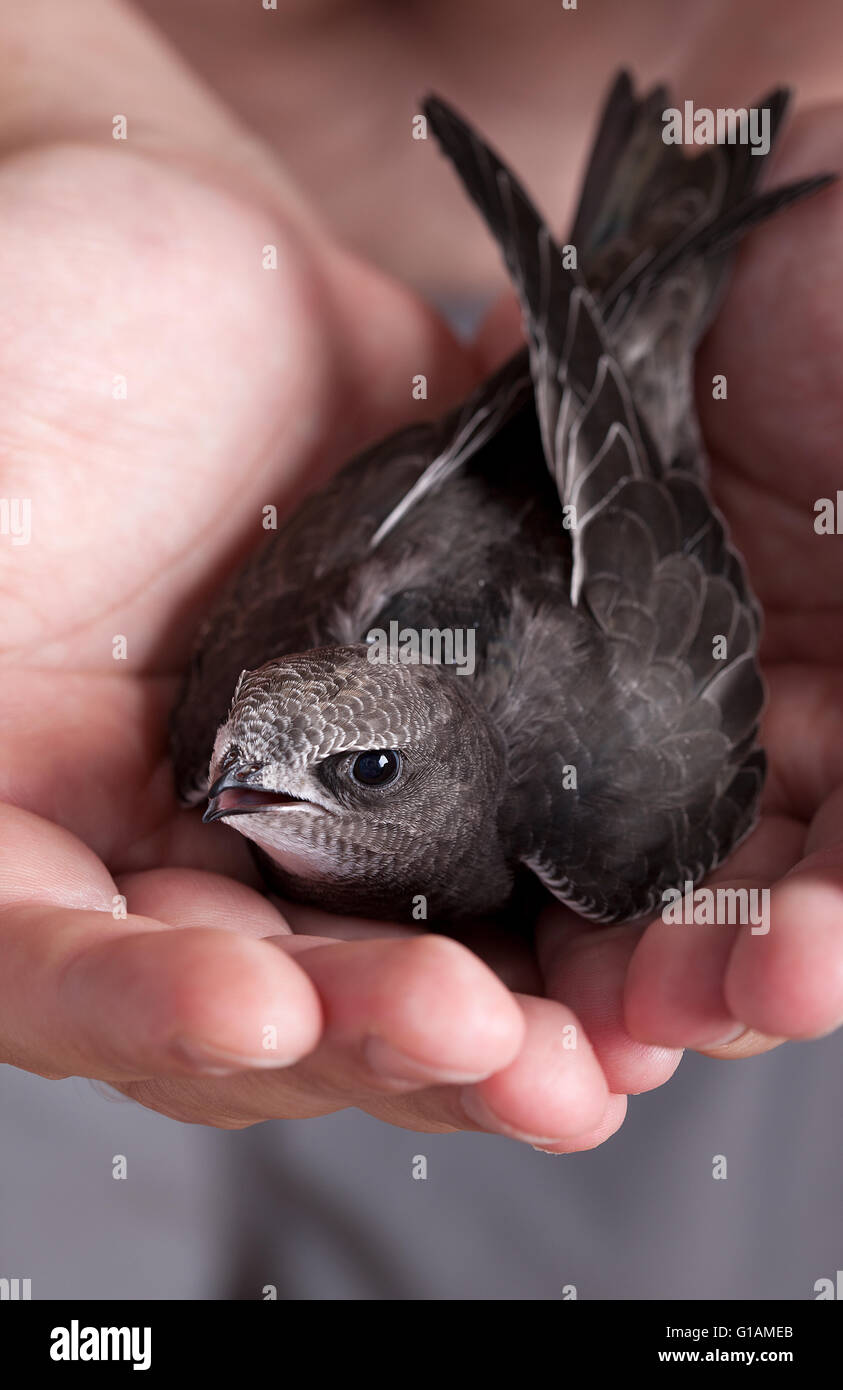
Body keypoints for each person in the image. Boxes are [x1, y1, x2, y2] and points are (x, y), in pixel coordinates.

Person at [1, 0, 841, 1162]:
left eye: (365, 771)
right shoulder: (231, 741)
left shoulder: (606, 817)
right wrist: (51, 109)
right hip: (535, 387)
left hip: (589, 418)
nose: (228, 789)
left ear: (433, 775)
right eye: (248, 752)